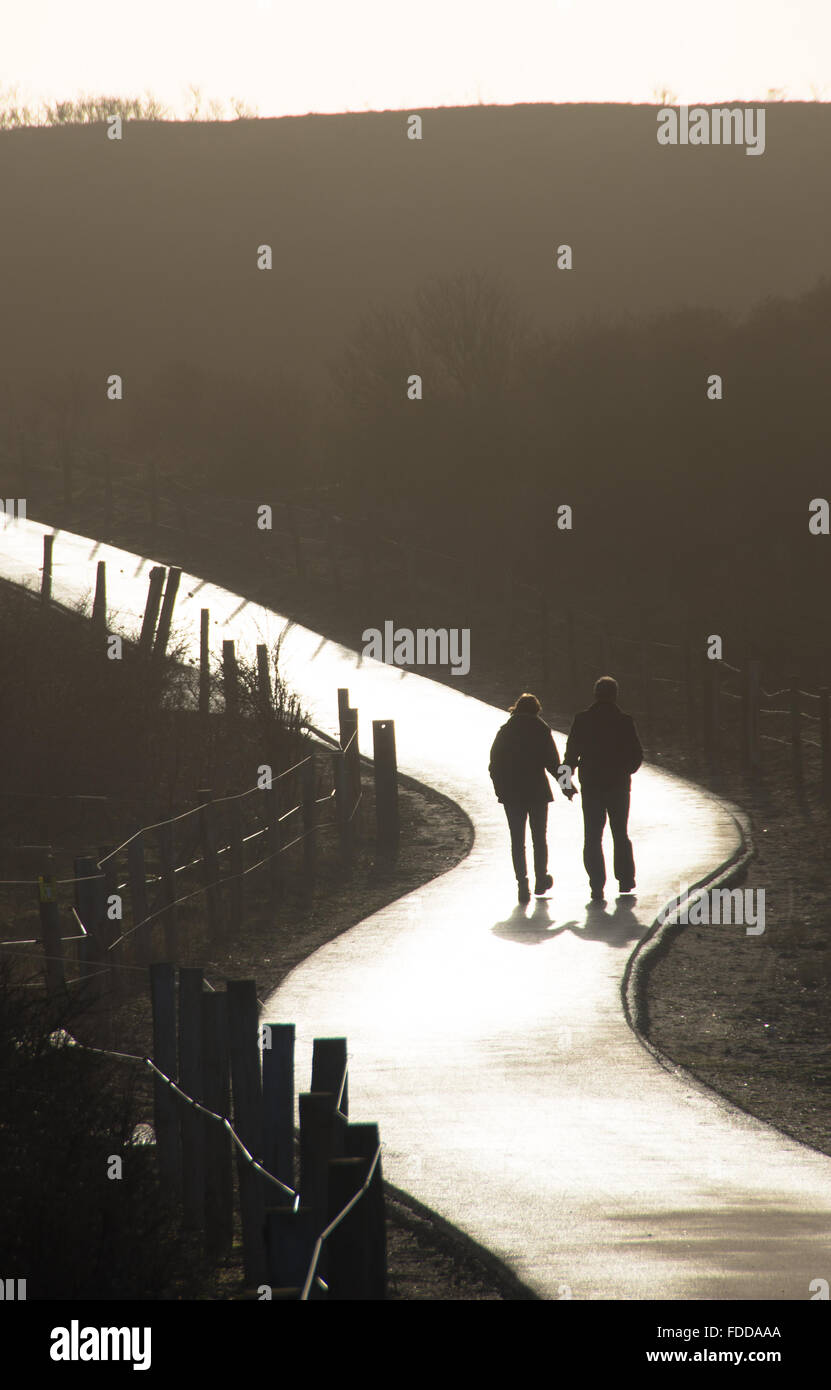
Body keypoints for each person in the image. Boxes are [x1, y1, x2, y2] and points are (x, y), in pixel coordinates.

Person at [562, 676, 643, 901]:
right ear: (615, 695)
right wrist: (624, 770)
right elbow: (637, 755)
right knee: (620, 834)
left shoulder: (582, 719)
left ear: (595, 694)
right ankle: (625, 880)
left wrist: (565, 784)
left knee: (593, 836)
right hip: (618, 786)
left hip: (592, 786)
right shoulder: (625, 721)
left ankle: (597, 884)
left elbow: (570, 755)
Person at [489, 692, 574, 903]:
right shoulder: (541, 729)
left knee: (517, 841)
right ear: (536, 710)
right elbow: (554, 763)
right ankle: (540, 880)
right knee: (539, 839)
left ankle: (522, 884)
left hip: (512, 795)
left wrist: (500, 790)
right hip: (537, 792)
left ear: (516, 709)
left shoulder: (505, 731)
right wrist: (567, 786)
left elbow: (494, 765)